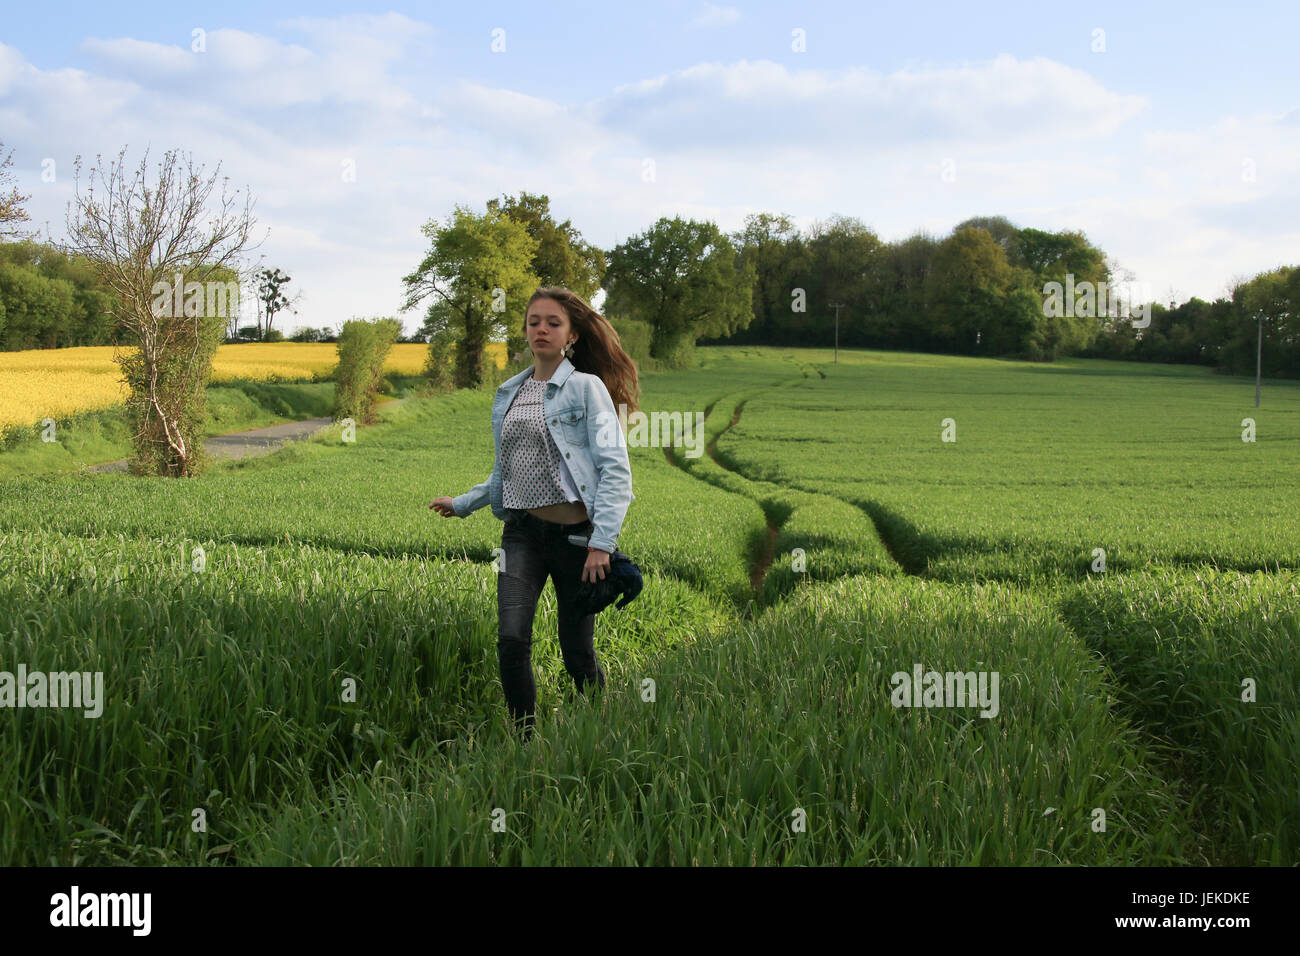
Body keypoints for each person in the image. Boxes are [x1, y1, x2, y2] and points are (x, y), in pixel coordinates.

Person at [430, 287, 638, 742]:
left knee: (576, 650)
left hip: (576, 541)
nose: (541, 329)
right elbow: (507, 469)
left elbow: (614, 469)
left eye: (553, 322)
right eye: (533, 321)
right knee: (511, 639)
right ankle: (525, 739)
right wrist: (463, 503)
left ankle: (597, 734)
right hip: (520, 534)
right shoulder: (511, 391)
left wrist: (602, 543)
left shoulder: (586, 388)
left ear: (572, 336)